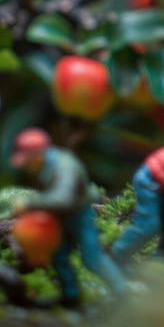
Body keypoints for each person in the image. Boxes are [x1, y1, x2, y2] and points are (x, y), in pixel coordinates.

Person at [9, 128, 130, 307]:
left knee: (92, 257)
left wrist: (30, 203)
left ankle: (124, 295)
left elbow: (63, 199)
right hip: (61, 217)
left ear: (37, 155)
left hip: (79, 214)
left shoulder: (65, 166)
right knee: (59, 256)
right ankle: (71, 296)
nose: (26, 165)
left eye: (27, 160)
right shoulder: (43, 165)